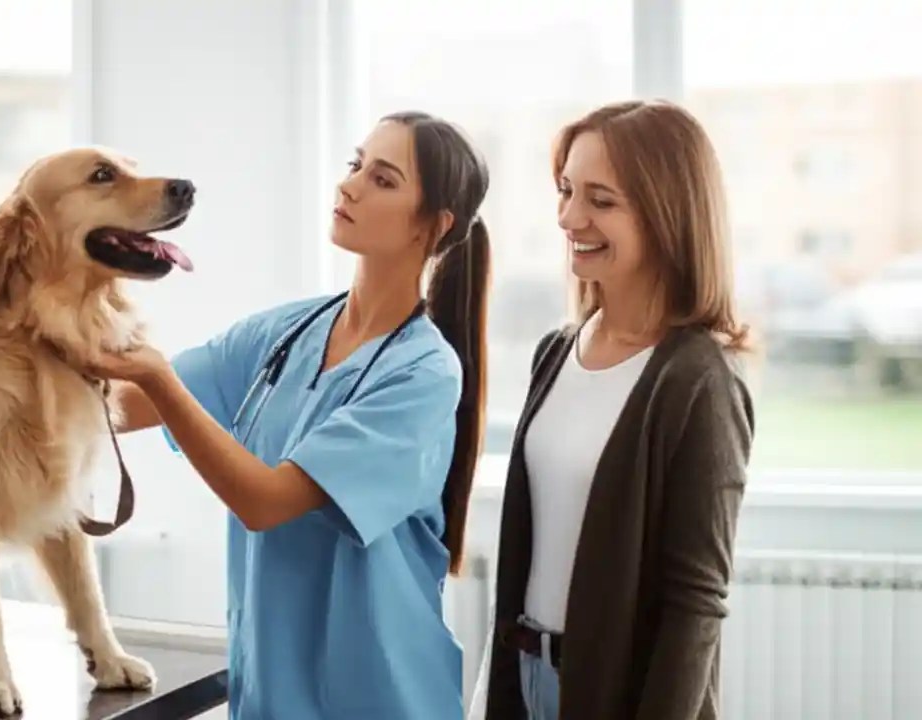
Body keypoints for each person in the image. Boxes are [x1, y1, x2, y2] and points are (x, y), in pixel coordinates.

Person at [86, 111, 491, 719]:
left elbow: (266, 503)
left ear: (433, 226)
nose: (349, 185)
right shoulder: (285, 332)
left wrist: (154, 373)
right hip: (272, 700)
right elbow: (120, 406)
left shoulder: (423, 374)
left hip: (380, 704)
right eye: (355, 164)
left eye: (383, 179)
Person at [468, 99, 755, 720]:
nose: (570, 216)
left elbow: (695, 605)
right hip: (525, 679)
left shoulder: (698, 379)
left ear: (667, 215)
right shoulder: (556, 351)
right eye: (567, 190)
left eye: (601, 200)